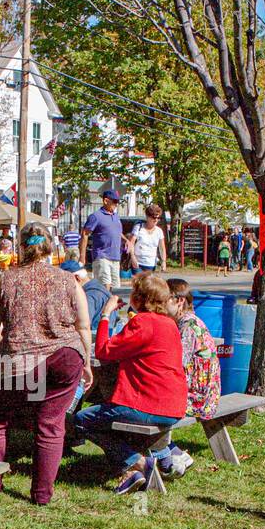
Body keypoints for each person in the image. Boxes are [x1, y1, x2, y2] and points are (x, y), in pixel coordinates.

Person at [0, 221, 93, 505]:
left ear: (20, 247)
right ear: (50, 248)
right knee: (51, 424)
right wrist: (87, 363)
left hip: (18, 359)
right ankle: (41, 495)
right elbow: (83, 326)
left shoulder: (5, 280)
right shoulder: (69, 280)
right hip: (64, 356)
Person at [75, 273, 188, 494]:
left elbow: (104, 352)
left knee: (82, 420)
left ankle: (137, 463)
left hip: (147, 404)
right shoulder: (170, 324)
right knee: (111, 414)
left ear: (138, 299)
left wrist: (106, 315)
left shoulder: (141, 323)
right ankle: (149, 463)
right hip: (174, 405)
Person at [163, 278, 221, 479]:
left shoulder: (187, 326)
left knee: (146, 405)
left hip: (197, 398)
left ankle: (170, 452)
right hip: (205, 393)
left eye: (164, 300)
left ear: (178, 301)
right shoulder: (190, 321)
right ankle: (169, 451)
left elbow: (177, 365)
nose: (160, 306)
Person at [79, 189, 124, 290]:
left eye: (118, 202)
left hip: (115, 257)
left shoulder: (116, 216)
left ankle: (109, 306)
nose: (117, 204)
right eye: (115, 201)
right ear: (106, 201)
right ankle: (102, 305)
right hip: (102, 256)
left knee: (114, 289)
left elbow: (117, 232)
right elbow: (85, 234)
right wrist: (82, 256)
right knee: (105, 286)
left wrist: (128, 241)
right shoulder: (96, 216)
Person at [60, 254, 110, 333]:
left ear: (77, 278)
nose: (63, 287)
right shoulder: (99, 286)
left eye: (65, 282)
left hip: (95, 337)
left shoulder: (88, 296)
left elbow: (84, 326)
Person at [128, 204, 167, 273]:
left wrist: (163, 262)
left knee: (148, 283)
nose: (156, 220)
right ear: (147, 217)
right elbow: (131, 243)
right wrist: (132, 257)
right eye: (154, 218)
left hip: (151, 264)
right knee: (139, 283)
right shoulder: (138, 227)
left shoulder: (159, 231)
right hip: (138, 263)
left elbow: (162, 248)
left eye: (158, 218)